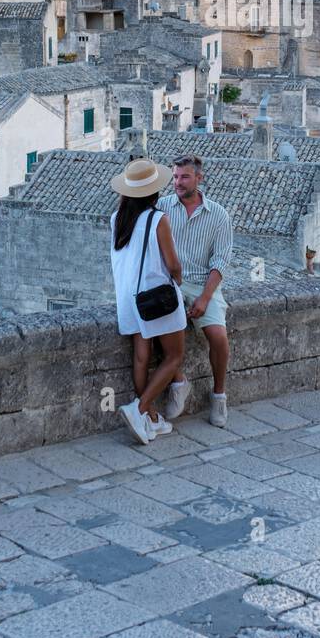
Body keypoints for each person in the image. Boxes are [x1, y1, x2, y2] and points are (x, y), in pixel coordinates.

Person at [110, 158, 186, 445]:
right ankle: (138, 408)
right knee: (174, 356)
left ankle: (151, 419)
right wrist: (177, 281)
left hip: (128, 299)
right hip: (155, 298)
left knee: (141, 357)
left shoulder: (116, 219)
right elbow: (173, 264)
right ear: (154, 191)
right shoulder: (158, 219)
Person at [158, 154, 233, 427]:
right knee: (155, 328)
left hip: (204, 284)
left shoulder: (219, 215)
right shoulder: (162, 208)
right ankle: (179, 382)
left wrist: (204, 297)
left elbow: (221, 261)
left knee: (218, 336)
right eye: (175, 177)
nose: (178, 182)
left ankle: (219, 395)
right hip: (170, 283)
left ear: (199, 179)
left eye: (184, 177)